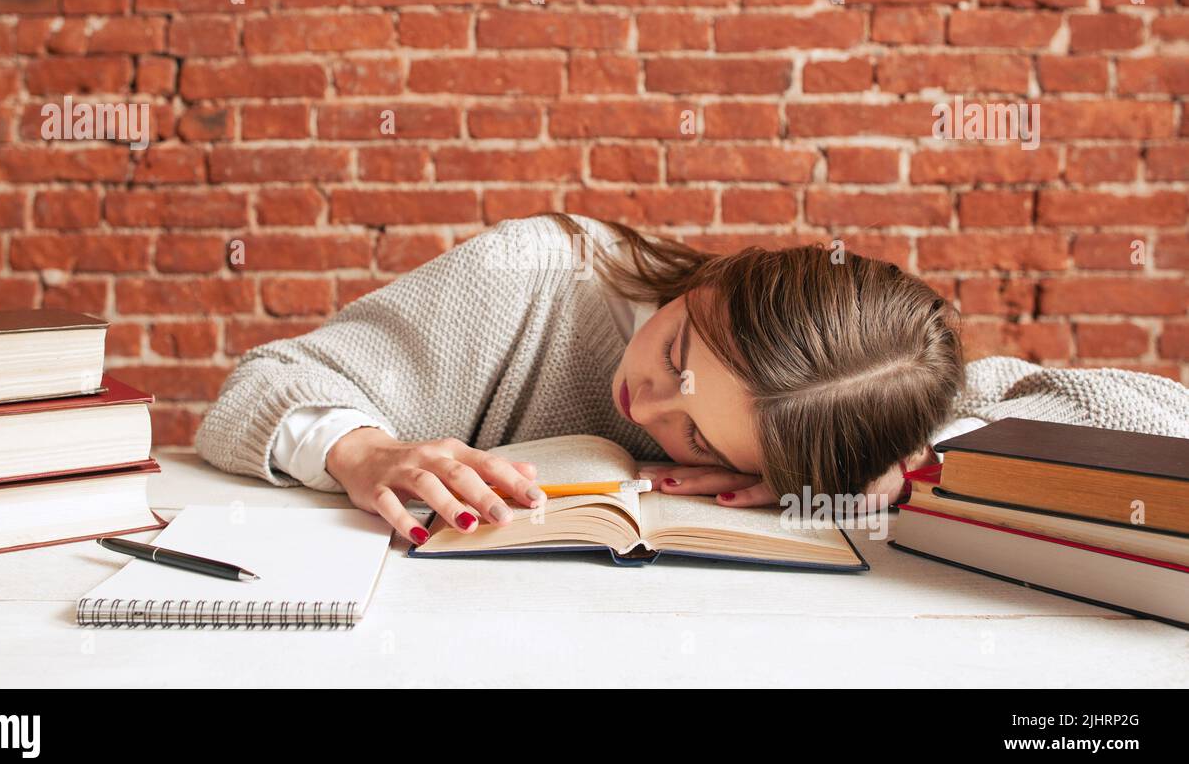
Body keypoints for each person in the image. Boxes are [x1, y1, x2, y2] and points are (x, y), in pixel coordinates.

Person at [196, 212, 966, 546]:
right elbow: (265, 383)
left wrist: (883, 478)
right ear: (719, 279)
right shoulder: (534, 273)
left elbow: (1075, 398)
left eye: (698, 438)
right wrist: (362, 453)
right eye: (677, 353)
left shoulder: (870, 386)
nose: (648, 403)